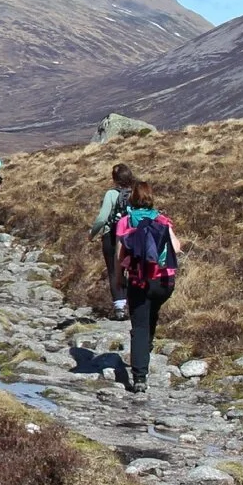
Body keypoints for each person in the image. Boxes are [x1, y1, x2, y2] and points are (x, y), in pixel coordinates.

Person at [114, 183, 182, 394]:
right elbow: (177, 248)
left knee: (140, 326)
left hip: (139, 280)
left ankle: (140, 377)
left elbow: (120, 256)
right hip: (163, 282)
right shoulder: (162, 220)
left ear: (131, 200)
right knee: (152, 312)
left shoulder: (126, 222)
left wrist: (118, 279)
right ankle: (147, 347)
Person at [89, 163, 137, 317]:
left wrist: (92, 233)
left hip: (112, 235)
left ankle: (119, 307)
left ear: (114, 178)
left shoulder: (111, 194)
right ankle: (135, 305)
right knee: (134, 270)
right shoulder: (137, 192)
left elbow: (102, 218)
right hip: (133, 236)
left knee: (113, 270)